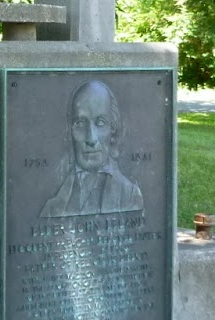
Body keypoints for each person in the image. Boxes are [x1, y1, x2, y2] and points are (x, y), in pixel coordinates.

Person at [38, 79, 144, 217]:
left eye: (100, 122)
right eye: (80, 123)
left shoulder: (130, 196)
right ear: (69, 130)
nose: (91, 138)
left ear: (112, 128)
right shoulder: (51, 206)